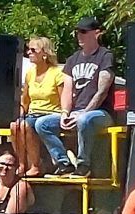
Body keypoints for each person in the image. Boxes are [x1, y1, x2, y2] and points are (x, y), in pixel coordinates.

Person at [34, 17, 113, 177]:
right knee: (42, 123)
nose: (79, 36)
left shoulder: (105, 56)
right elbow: (67, 90)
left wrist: (84, 112)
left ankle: (84, 165)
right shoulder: (72, 59)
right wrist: (64, 113)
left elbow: (102, 91)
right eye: (77, 32)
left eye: (83, 32)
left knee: (85, 120)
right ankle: (64, 163)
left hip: (100, 113)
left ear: (96, 33)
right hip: (76, 112)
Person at [10, 37, 66, 176]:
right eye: (28, 49)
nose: (29, 52)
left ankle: (36, 165)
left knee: (27, 126)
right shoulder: (30, 73)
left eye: (33, 50)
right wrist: (20, 113)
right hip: (32, 114)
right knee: (15, 126)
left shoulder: (57, 73)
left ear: (45, 54)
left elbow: (63, 99)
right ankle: (23, 164)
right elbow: (25, 101)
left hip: (52, 114)